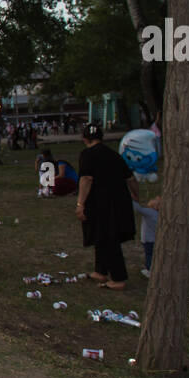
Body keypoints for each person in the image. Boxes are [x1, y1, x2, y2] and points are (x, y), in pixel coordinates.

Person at [75, 122, 138, 290]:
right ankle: (100, 271)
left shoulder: (87, 155)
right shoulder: (114, 155)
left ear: (84, 139)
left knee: (109, 238)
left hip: (101, 203)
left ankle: (118, 278)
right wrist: (136, 195)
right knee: (100, 235)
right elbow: (130, 178)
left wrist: (80, 203)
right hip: (120, 201)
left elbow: (86, 178)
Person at [132, 196, 160, 278]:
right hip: (154, 239)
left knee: (149, 255)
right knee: (152, 254)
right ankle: (153, 269)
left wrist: (131, 199)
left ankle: (150, 270)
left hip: (148, 239)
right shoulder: (159, 214)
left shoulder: (150, 213)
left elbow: (138, 209)